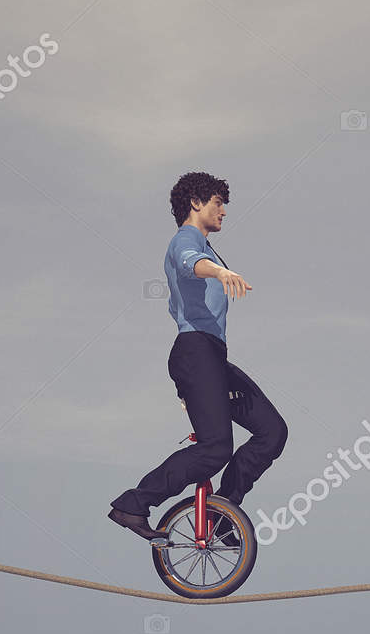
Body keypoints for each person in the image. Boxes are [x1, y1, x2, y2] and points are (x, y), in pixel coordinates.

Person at [109, 172, 288, 543]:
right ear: (195, 203)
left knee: (272, 432)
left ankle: (224, 511)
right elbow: (189, 261)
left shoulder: (206, 246)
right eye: (217, 202)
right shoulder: (186, 240)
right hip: (195, 352)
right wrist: (221, 271)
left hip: (210, 360)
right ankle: (134, 503)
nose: (224, 210)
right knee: (215, 449)